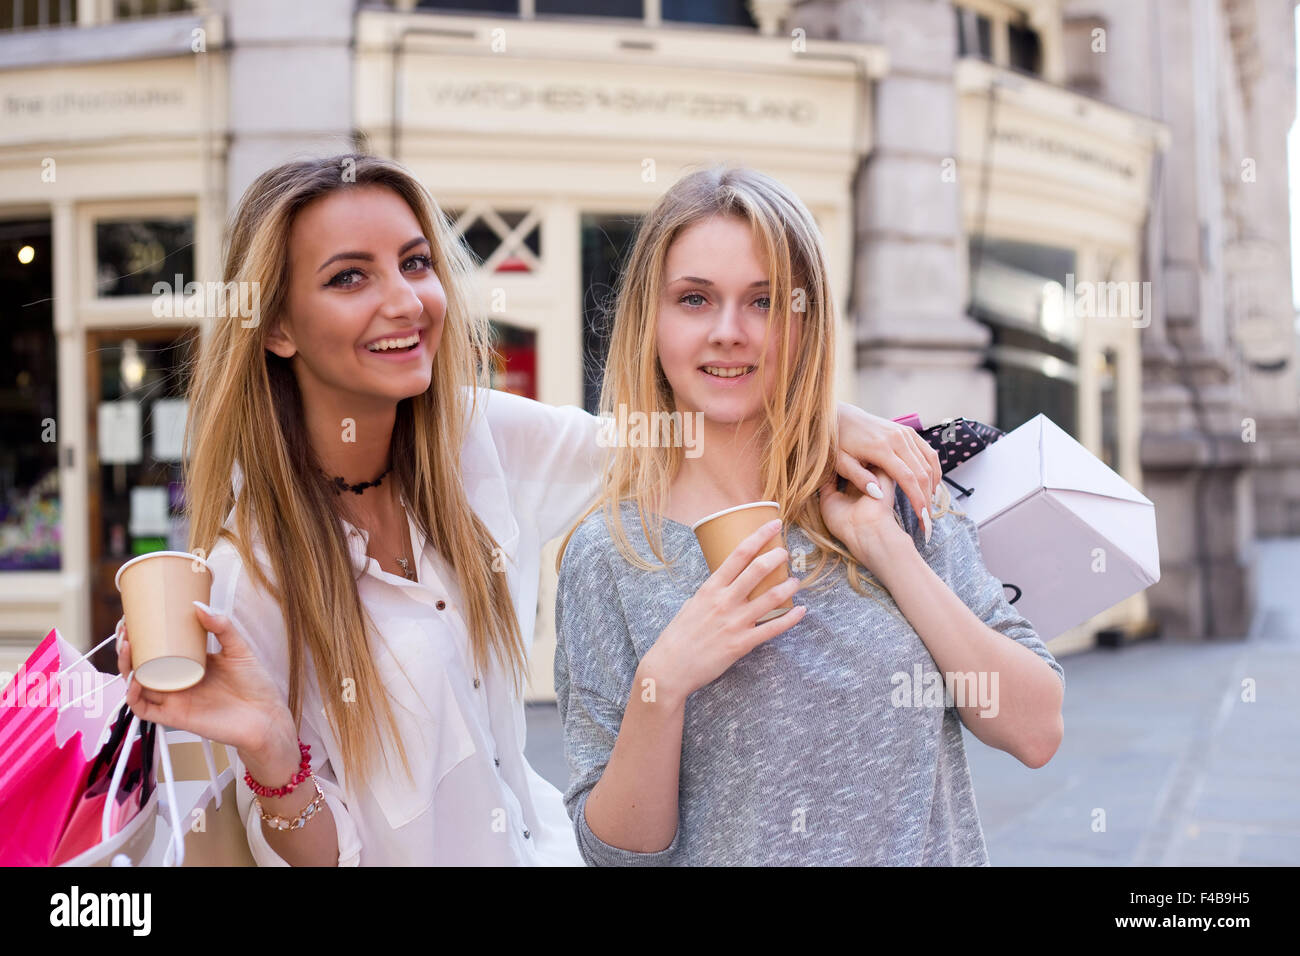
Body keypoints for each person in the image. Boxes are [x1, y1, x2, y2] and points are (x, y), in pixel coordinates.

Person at [111, 154, 943, 865]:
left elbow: (680, 433)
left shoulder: (479, 438)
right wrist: (269, 747)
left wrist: (824, 414)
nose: (405, 300)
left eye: (415, 262)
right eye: (349, 277)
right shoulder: (246, 575)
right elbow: (316, 854)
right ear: (277, 328)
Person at [553, 165, 1066, 866]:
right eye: (695, 299)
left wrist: (887, 550)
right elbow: (614, 852)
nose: (729, 332)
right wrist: (663, 682)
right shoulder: (611, 554)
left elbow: (1035, 729)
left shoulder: (887, 489)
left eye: (764, 302)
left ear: (807, 320)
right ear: (652, 318)